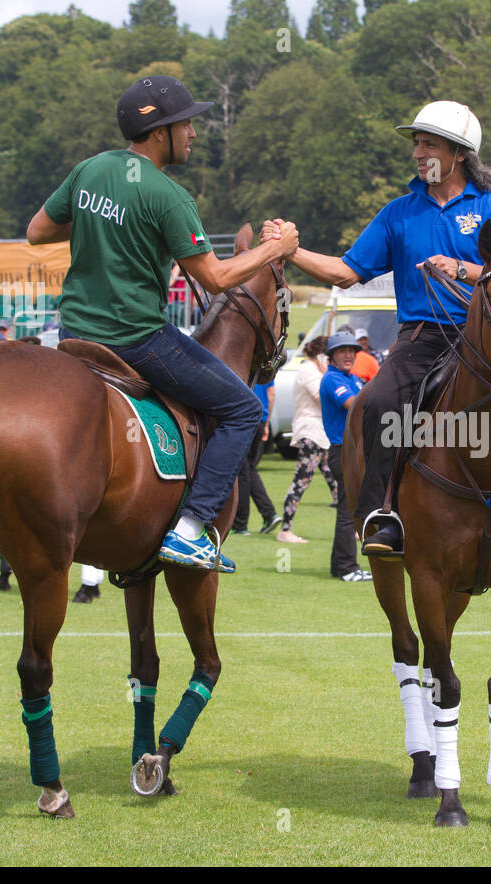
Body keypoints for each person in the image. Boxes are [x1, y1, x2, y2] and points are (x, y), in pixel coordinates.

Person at [272, 100, 491, 567]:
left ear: (459, 153)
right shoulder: (399, 213)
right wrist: (291, 251)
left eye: (428, 143)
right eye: (416, 143)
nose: (418, 152)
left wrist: (460, 268)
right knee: (378, 402)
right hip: (423, 338)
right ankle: (381, 517)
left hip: (488, 338)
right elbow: (343, 271)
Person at [26, 74, 299, 571]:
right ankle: (191, 530)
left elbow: (37, 231)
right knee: (242, 410)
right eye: (186, 125)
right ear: (160, 134)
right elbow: (215, 279)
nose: (193, 134)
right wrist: (272, 250)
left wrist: (106, 220)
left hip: (73, 337)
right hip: (135, 340)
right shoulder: (168, 196)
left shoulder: (88, 170)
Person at [277, 335, 339, 544]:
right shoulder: (308, 370)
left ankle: (349, 528)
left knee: (335, 479)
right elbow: (322, 398)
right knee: (301, 480)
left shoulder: (317, 370)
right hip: (311, 431)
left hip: (321, 432)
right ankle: (285, 529)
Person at [319, 332, 371, 582]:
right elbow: (354, 404)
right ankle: (347, 567)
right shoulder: (332, 379)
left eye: (352, 351)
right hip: (342, 451)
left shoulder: (352, 378)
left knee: (349, 510)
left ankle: (340, 566)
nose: (349, 355)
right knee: (348, 511)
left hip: (352, 451)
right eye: (343, 351)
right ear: (332, 356)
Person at [232, 381, 280, 535]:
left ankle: (240, 525)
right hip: (260, 419)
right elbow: (271, 394)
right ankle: (269, 514)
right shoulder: (265, 363)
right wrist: (266, 423)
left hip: (244, 418)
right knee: (249, 469)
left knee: (243, 472)